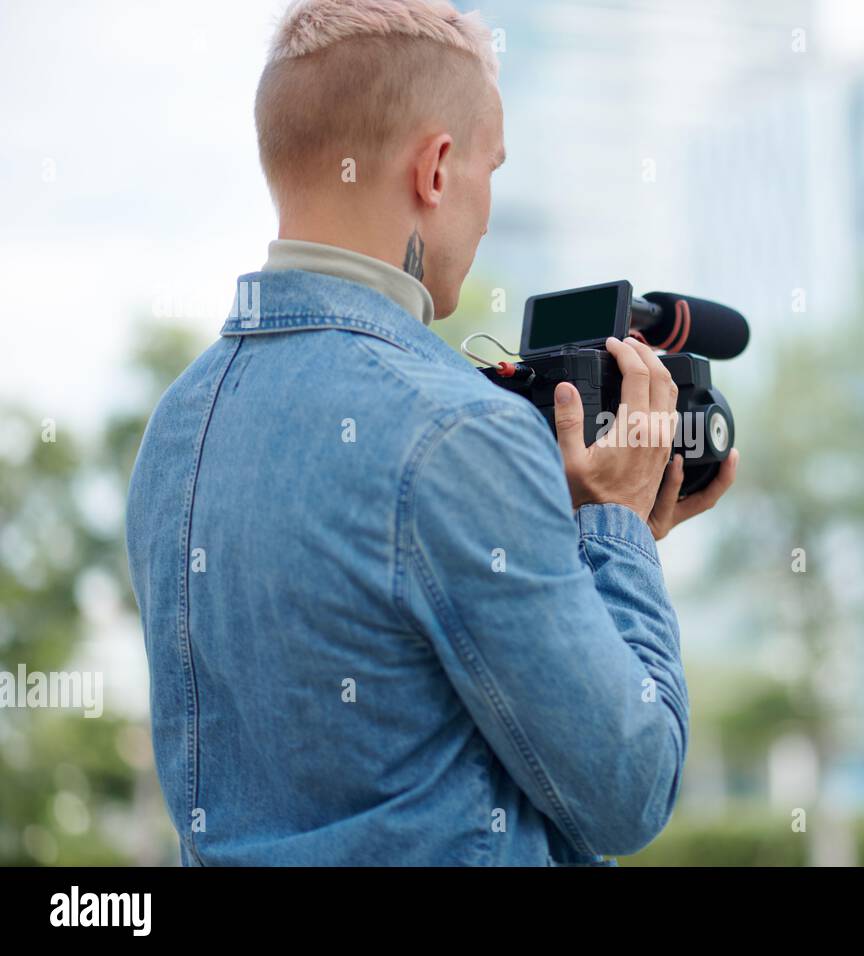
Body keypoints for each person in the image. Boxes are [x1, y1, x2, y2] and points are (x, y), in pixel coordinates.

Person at [125, 0, 737, 866]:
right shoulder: (461, 431)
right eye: (492, 169)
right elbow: (629, 789)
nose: (487, 213)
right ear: (438, 170)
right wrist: (620, 530)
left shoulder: (174, 430)